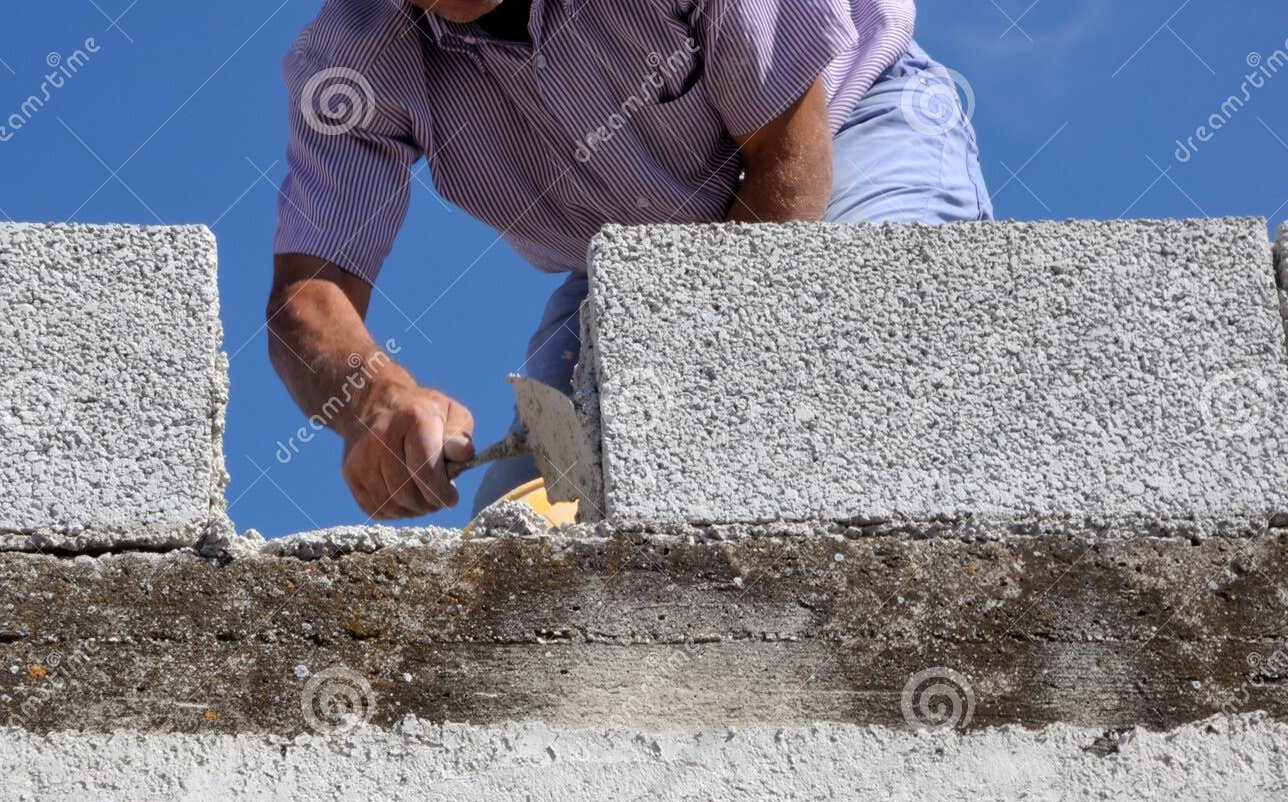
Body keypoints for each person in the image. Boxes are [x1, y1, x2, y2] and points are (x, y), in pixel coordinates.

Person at [267, 0, 991, 519]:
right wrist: (373, 403)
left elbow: (785, 156)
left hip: (841, 130)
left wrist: (674, 384)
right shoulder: (350, 60)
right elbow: (308, 293)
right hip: (632, 266)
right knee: (520, 548)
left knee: (874, 371)